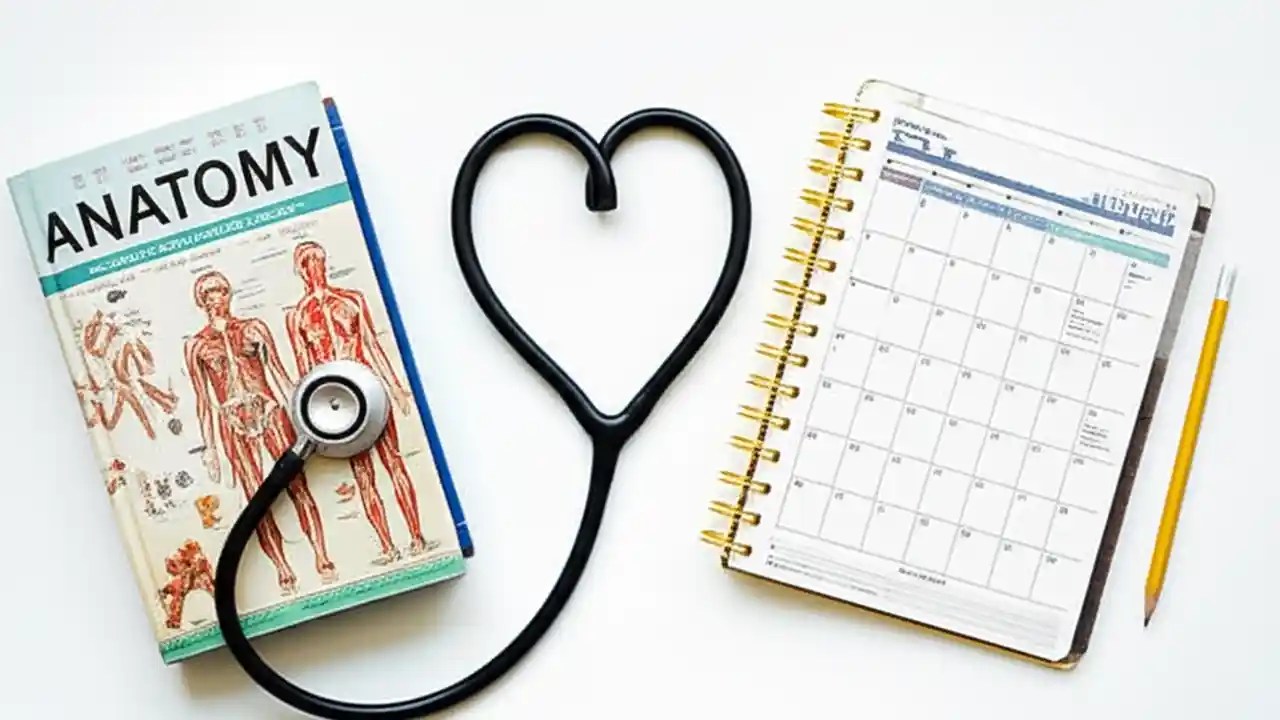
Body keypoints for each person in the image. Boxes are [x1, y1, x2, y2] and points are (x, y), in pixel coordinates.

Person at [185, 270, 337, 593]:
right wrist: (210, 447)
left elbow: (280, 375)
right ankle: (283, 568)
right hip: (232, 421)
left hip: (267, 410)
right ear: (201, 302)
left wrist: (310, 417)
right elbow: (203, 399)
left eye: (221, 292)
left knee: (297, 485)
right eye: (209, 295)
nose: (217, 300)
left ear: (229, 295)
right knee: (257, 497)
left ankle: (321, 556)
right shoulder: (197, 346)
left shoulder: (252, 329)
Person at [284, 241, 427, 563]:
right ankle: (387, 545)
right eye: (306, 263)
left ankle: (416, 535)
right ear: (300, 270)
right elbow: (302, 365)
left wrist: (397, 388)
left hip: (370, 390)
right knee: (364, 478)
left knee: (395, 464)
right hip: (333, 410)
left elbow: (372, 345)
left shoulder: (351, 300)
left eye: (318, 260)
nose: (314, 268)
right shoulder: (297, 316)